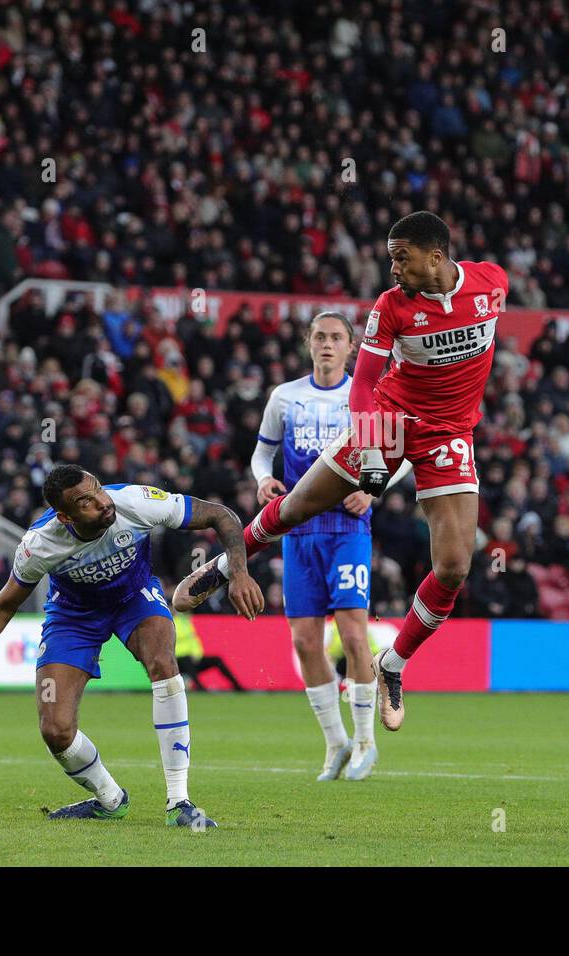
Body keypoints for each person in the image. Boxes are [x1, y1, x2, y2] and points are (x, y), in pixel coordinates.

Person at [174, 211, 507, 733]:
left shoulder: (492, 285)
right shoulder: (390, 306)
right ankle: (223, 566)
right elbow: (364, 385)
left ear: (436, 257)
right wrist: (372, 452)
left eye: (402, 258)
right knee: (297, 506)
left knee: (453, 568)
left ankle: (392, 664)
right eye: (391, 258)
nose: (393, 268)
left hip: (449, 437)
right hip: (388, 423)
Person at [0, 464, 263, 828]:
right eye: (85, 501)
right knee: (55, 730)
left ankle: (179, 801)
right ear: (65, 517)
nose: (102, 502)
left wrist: (239, 573)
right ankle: (109, 799)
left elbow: (221, 515)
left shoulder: (136, 502)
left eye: (98, 489)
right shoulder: (39, 545)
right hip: (74, 615)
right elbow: (4, 605)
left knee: (164, 663)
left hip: (134, 597)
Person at [251, 311, 414, 780]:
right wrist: (264, 480)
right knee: (305, 641)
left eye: (336, 337)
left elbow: (404, 453)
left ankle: (365, 741)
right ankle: (336, 742)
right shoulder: (285, 397)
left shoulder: (368, 397)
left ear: (350, 346)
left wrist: (374, 488)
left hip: (347, 530)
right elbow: (262, 453)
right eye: (319, 336)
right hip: (298, 530)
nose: (327, 344)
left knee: (353, 635)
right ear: (308, 343)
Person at [173, 612, 245, 692]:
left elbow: (193, 640)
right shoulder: (168, 622)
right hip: (176, 662)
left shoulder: (184, 621)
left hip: (191, 658)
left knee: (216, 660)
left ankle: (237, 686)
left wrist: (197, 654)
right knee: (186, 660)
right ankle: (200, 687)